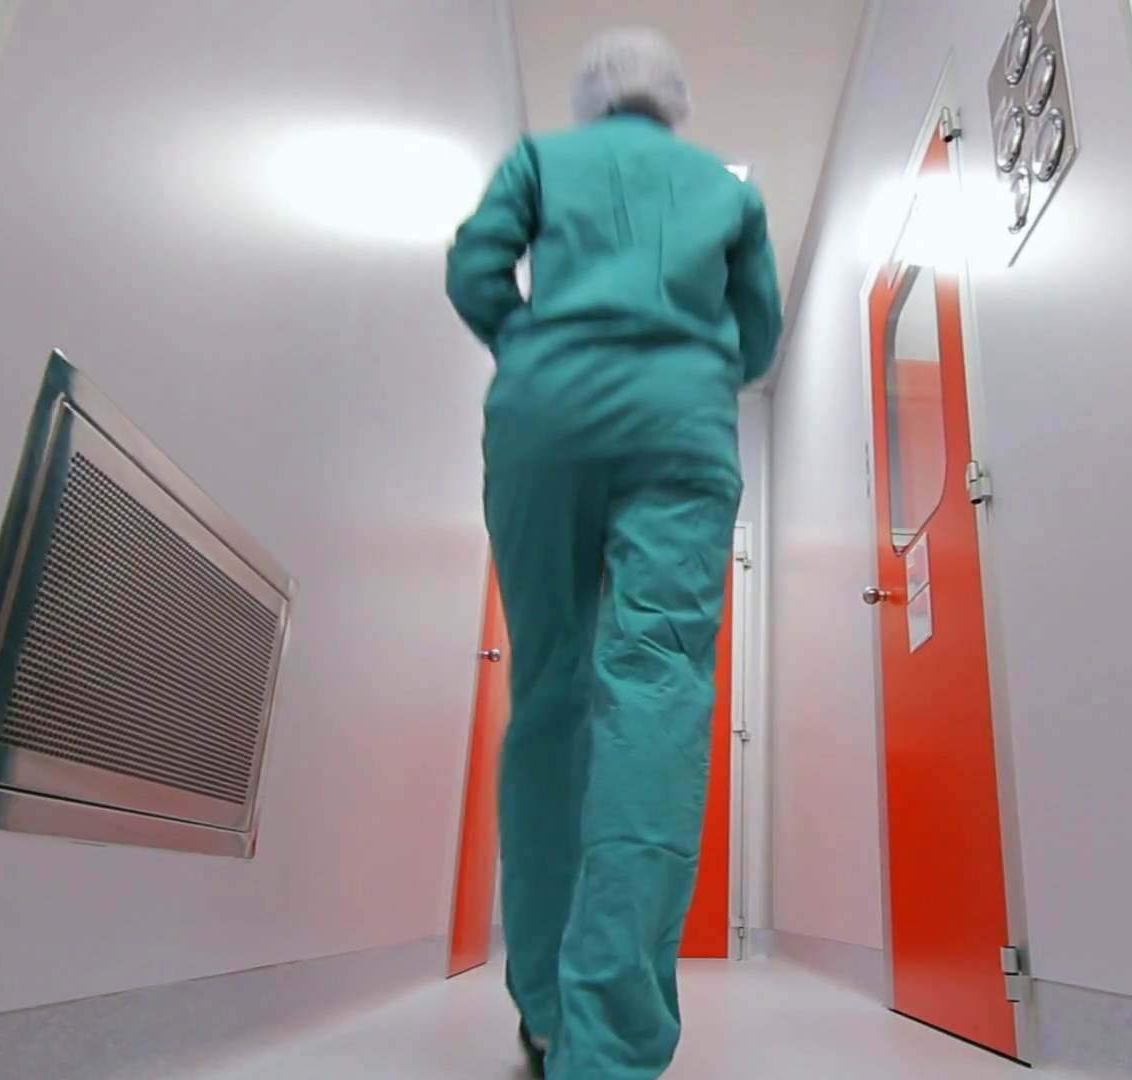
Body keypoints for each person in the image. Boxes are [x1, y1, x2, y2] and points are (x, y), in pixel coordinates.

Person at [444, 26, 783, 1080]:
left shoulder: (542, 158)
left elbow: (476, 269)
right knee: (658, 687)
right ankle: (615, 1043)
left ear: (590, 97)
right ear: (674, 101)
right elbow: (760, 335)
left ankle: (546, 1016)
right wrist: (689, 364)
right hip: (680, 425)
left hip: (544, 412)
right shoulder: (726, 191)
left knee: (550, 690)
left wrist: (534, 344)